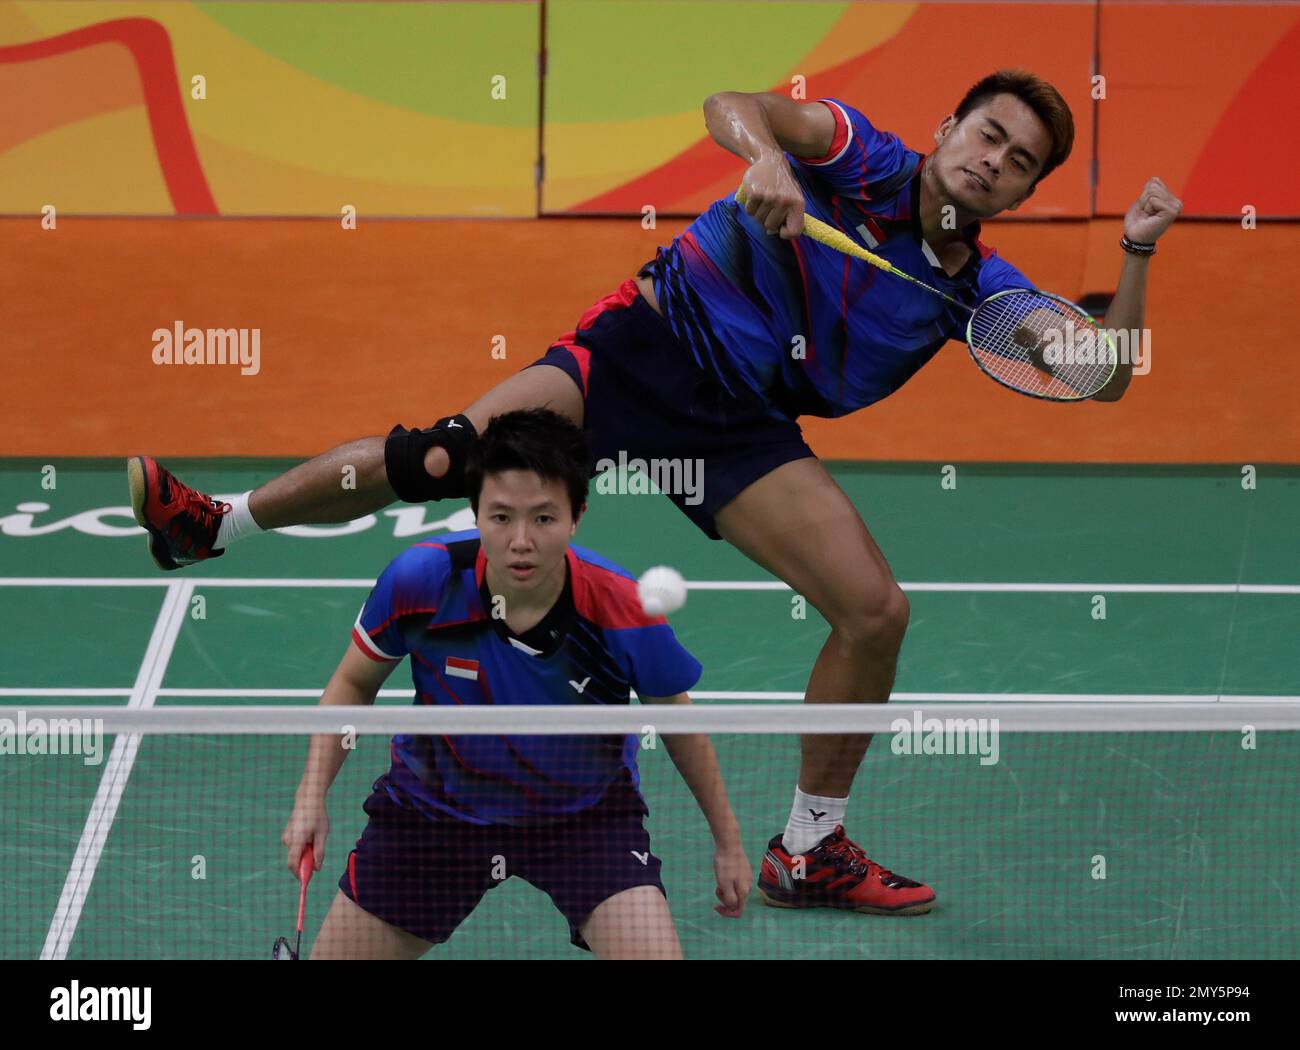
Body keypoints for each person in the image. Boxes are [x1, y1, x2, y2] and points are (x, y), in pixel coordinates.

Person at [135, 71, 1182, 916]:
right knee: (446, 454)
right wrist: (765, 156)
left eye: (1019, 161)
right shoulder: (856, 150)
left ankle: (808, 851)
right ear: (949, 124)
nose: (993, 160)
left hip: (738, 429)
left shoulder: (979, 290)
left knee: (874, 610)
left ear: (1025, 191)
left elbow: (1104, 371)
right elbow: (733, 102)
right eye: (986, 134)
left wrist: (1132, 250)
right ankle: (212, 523)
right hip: (641, 346)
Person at [280, 409, 750, 959]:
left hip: (584, 819)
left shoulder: (622, 608)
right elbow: (353, 685)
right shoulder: (420, 582)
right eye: (501, 517)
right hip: (436, 815)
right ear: (474, 511)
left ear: (577, 516)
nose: (520, 541)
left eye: (543, 519)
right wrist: (311, 796)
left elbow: (678, 722)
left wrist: (728, 842)